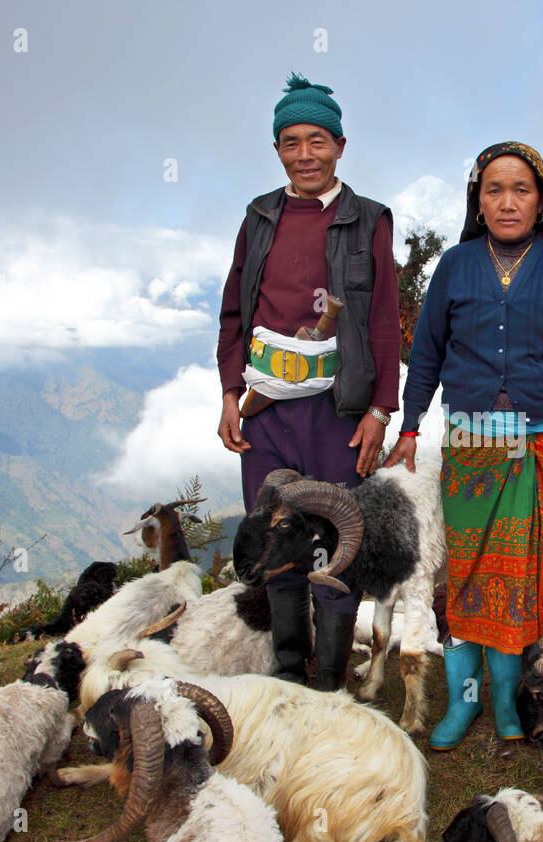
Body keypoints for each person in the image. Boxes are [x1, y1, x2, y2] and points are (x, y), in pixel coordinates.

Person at [384, 141, 543, 750]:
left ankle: (510, 703)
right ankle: (463, 703)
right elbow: (426, 353)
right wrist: (409, 426)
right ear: (477, 202)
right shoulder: (455, 266)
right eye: (494, 190)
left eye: (521, 190)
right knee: (470, 578)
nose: (507, 202)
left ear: (541, 201)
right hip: (472, 448)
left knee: (525, 582)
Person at [216, 73, 401, 691]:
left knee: (335, 539)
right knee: (276, 537)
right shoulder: (260, 216)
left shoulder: (368, 220)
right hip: (267, 410)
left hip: (335, 409)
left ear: (340, 146)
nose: (304, 155)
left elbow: (380, 318)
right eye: (291, 142)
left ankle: (330, 679)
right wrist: (227, 398)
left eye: (316, 141)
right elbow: (235, 311)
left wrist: (379, 409)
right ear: (277, 150)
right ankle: (289, 674)